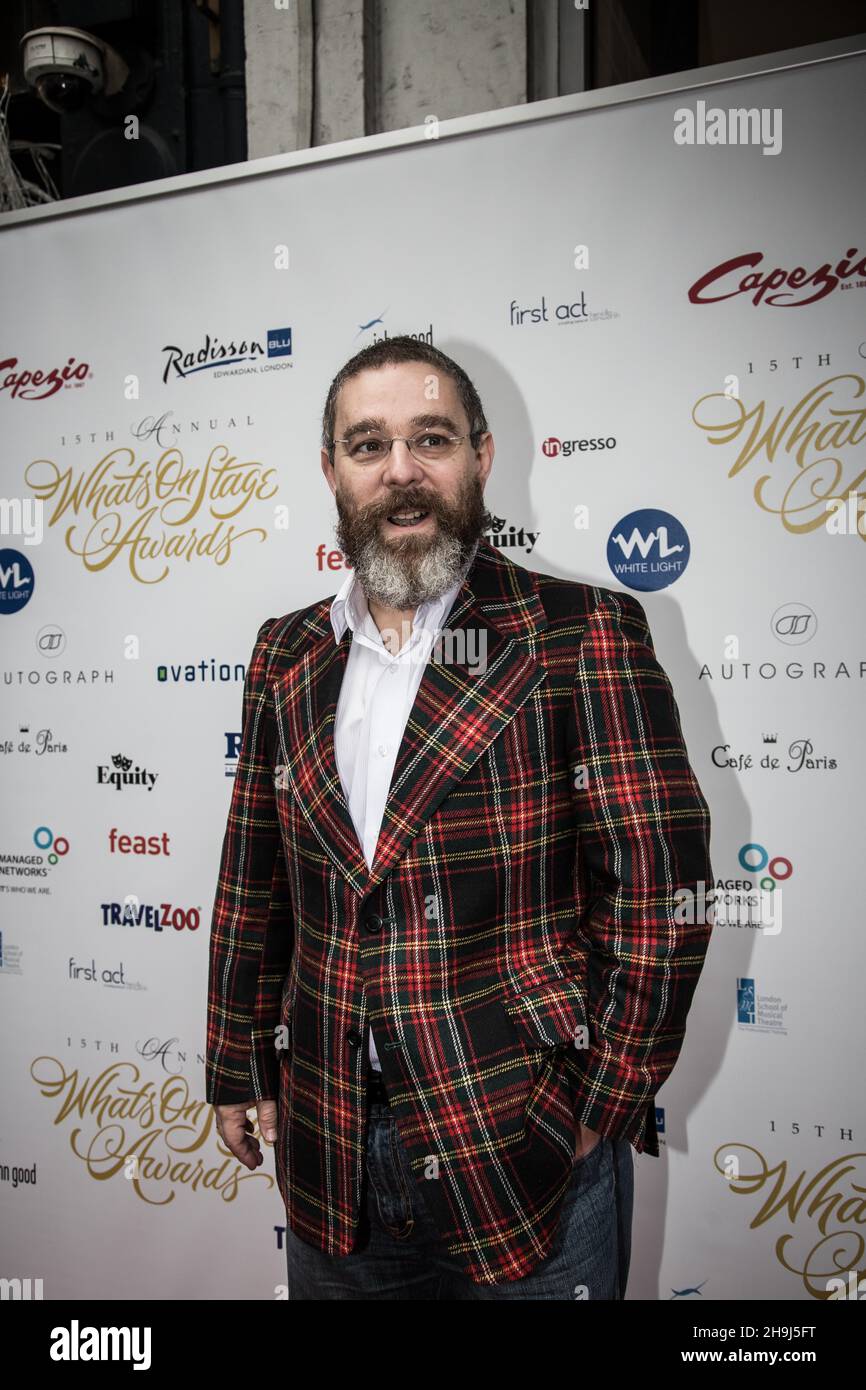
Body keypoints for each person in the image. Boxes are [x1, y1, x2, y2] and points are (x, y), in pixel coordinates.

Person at [205, 335, 714, 1299]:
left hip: (525, 1149)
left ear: (480, 457)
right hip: (328, 1145)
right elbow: (253, 881)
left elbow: (663, 896)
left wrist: (599, 1107)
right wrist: (235, 1061)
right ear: (331, 471)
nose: (400, 470)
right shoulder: (284, 652)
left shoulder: (581, 632)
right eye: (368, 445)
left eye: (430, 439)